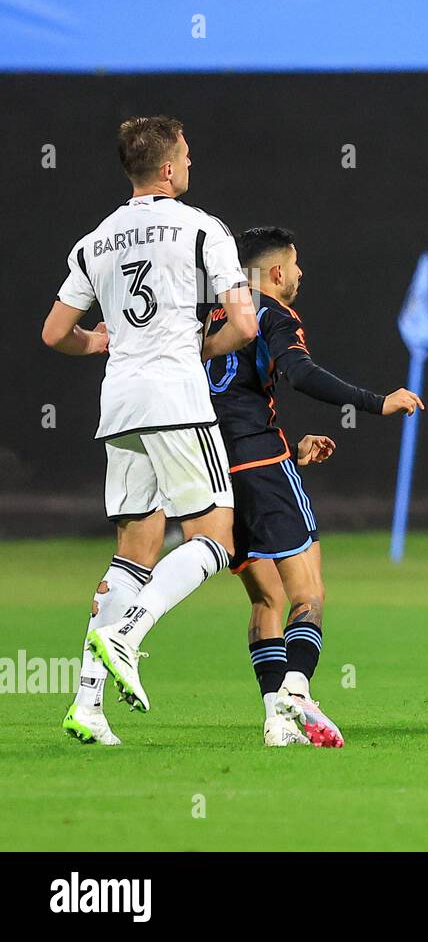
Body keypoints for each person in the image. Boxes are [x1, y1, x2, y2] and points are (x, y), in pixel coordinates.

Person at [43, 116, 258, 744]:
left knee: (134, 553)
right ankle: (128, 632)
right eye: (186, 154)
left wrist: (98, 343)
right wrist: (198, 348)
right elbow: (243, 325)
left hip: (121, 404)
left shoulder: (97, 239)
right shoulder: (203, 229)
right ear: (167, 168)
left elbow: (55, 332)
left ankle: (86, 701)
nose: (190, 163)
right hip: (176, 396)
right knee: (216, 534)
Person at [203, 226, 423, 746]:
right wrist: (377, 401)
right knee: (309, 594)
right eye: (296, 265)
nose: (301, 274)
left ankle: (275, 720)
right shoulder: (274, 313)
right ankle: (297, 694)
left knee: (265, 600)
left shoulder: (212, 316)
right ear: (277, 273)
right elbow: (299, 373)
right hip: (261, 461)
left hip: (212, 467)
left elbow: (231, 394)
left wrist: (291, 447)